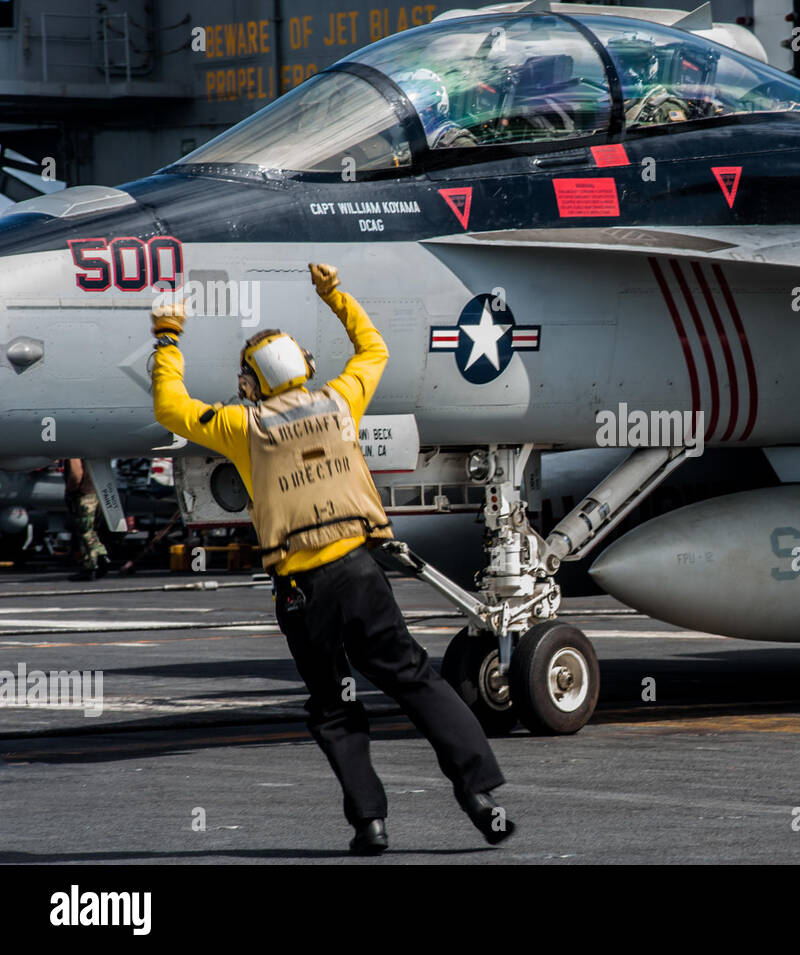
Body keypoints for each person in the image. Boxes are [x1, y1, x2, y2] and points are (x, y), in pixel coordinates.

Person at [149, 263, 515, 854]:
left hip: (301, 591)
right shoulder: (341, 401)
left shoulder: (244, 426)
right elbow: (374, 348)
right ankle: (479, 794)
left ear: (251, 385)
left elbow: (172, 408)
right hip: (362, 575)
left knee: (334, 704)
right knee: (415, 680)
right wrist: (334, 295)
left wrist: (168, 337)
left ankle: (370, 822)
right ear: (304, 368)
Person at [62, 458, 109, 581]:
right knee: (91, 531)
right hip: (94, 492)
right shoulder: (89, 450)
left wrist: (70, 490)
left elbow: (75, 474)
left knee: (85, 532)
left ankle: (90, 567)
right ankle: (102, 557)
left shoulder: (73, 451)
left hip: (83, 494)